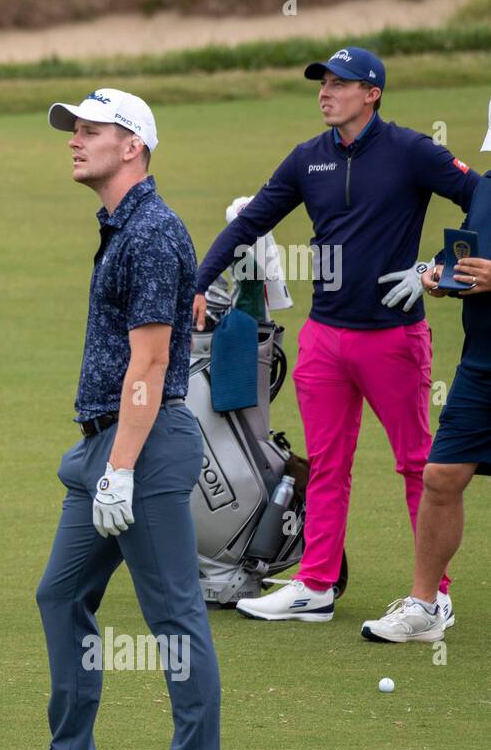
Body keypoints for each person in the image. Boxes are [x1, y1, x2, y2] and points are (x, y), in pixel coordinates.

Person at [0, 89, 223, 750]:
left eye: (91, 131)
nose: (74, 140)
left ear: (133, 146)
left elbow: (148, 368)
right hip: (104, 449)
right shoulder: (124, 227)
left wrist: (119, 468)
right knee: (61, 594)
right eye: (73, 130)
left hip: (139, 449)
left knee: (175, 613)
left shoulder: (150, 231)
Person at [193, 47, 479, 624]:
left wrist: (438, 268)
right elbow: (252, 223)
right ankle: (315, 586)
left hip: (393, 337)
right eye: (322, 83)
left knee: (417, 465)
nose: (325, 92)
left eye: (340, 84)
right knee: (326, 464)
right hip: (325, 338)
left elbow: (481, 201)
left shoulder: (412, 151)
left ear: (371, 93)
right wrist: (198, 282)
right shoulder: (309, 159)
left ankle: (435, 596)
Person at [363, 134, 491, 642]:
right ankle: (425, 607)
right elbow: (470, 250)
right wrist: (439, 273)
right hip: (481, 365)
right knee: (440, 477)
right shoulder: (488, 190)